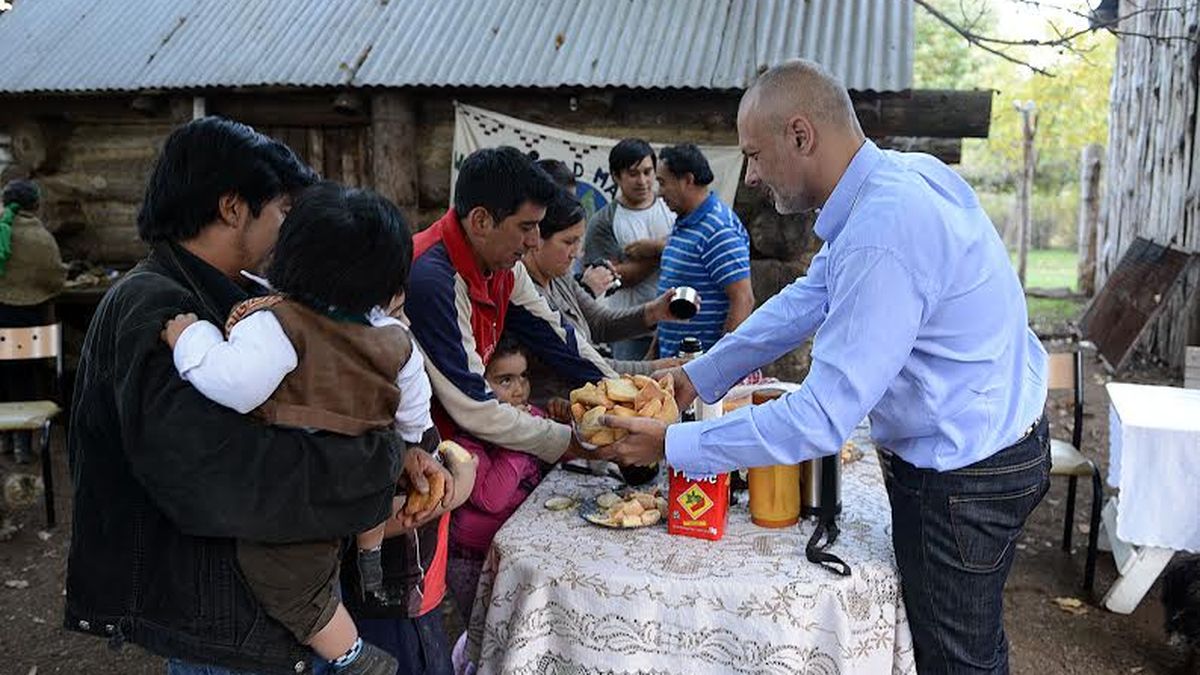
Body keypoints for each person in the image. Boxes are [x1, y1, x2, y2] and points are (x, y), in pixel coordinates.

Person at [602, 60, 1050, 675]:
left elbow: (820, 418)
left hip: (966, 475)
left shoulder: (882, 229)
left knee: (957, 662)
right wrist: (695, 377)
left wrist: (675, 443)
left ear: (801, 135)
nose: (752, 176)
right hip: (995, 437)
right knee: (966, 648)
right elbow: (805, 301)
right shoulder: (891, 181)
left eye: (755, 156)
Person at [64, 117, 450, 675]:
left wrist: (399, 451)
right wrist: (382, 459)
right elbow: (219, 476)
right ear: (232, 207)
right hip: (223, 624)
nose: (288, 229)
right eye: (282, 212)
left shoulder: (252, 297)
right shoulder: (155, 310)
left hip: (265, 607)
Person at [159, 183, 460, 674]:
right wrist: (410, 448)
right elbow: (414, 415)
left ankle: (354, 655)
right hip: (360, 485)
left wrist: (189, 335)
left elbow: (230, 382)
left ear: (291, 254)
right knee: (352, 525)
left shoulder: (276, 325)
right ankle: (368, 561)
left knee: (291, 584)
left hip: (290, 499)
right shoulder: (393, 338)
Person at [519, 187, 689, 407]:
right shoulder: (527, 296)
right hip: (551, 410)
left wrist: (654, 312)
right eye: (568, 242)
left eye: (579, 242)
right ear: (535, 240)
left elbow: (599, 322)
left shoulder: (559, 277)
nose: (577, 253)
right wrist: (657, 369)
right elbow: (582, 360)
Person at [446, 336, 548, 623]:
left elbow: (561, 445)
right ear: (478, 386)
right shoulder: (466, 437)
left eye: (523, 377)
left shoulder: (528, 416)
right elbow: (492, 498)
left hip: (514, 552)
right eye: (505, 380)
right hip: (473, 561)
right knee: (484, 633)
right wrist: (521, 437)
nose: (519, 390)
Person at [654, 143, 754, 358]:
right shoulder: (684, 222)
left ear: (687, 180)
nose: (659, 193)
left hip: (701, 375)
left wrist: (719, 365)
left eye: (663, 183)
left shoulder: (719, 229)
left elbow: (743, 299)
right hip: (673, 364)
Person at [582, 139, 676, 360]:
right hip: (629, 329)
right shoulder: (604, 221)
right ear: (616, 176)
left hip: (673, 324)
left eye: (647, 172)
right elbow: (610, 277)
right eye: (633, 174)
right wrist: (665, 251)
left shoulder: (671, 207)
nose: (642, 181)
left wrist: (655, 248)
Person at [0, 178, 65, 463]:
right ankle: (23, 445)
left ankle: (5, 438)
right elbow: (54, 277)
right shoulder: (41, 239)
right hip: (26, 321)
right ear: (36, 205)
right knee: (23, 380)